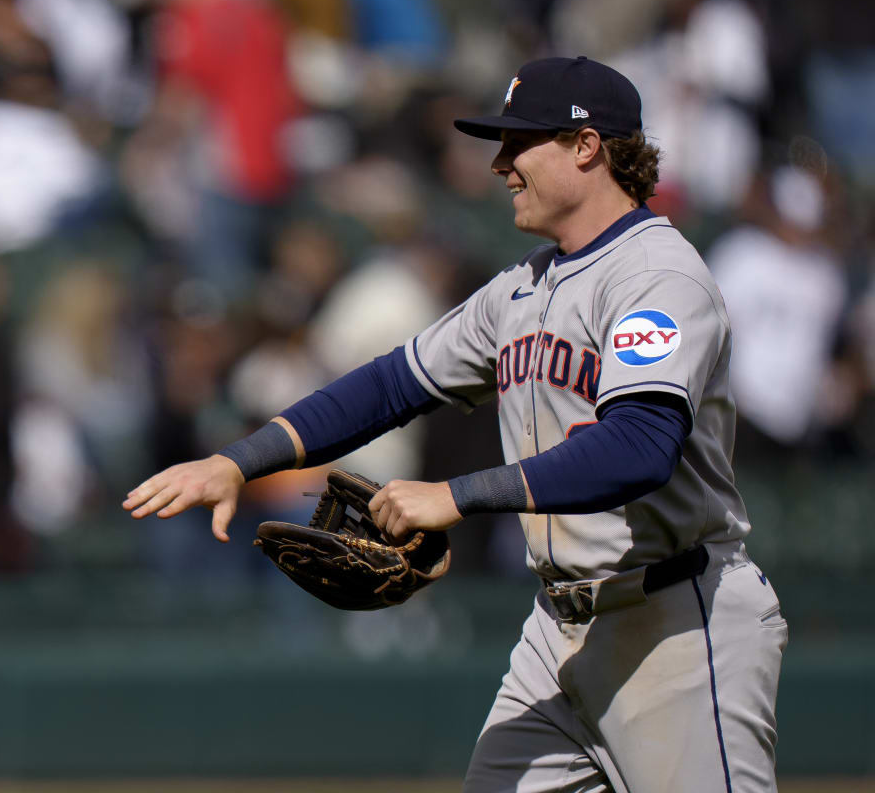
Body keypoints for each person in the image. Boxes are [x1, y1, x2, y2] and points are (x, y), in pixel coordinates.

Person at [123, 56, 785, 791]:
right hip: (558, 629)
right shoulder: (522, 286)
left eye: (519, 142)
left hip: (676, 627)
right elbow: (389, 386)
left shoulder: (655, 277)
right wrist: (239, 461)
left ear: (586, 146)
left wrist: (456, 495)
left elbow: (638, 447)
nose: (500, 163)